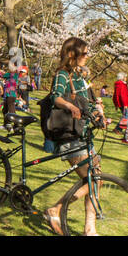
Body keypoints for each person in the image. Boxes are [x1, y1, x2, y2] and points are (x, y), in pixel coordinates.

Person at [42, 36, 107, 236]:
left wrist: (99, 115)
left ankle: (90, 229)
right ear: (72, 54)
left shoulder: (80, 78)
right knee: (93, 179)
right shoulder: (62, 74)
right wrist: (69, 105)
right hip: (70, 136)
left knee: (96, 180)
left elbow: (88, 103)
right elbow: (56, 97)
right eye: (84, 53)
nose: (87, 56)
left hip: (84, 134)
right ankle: (57, 209)